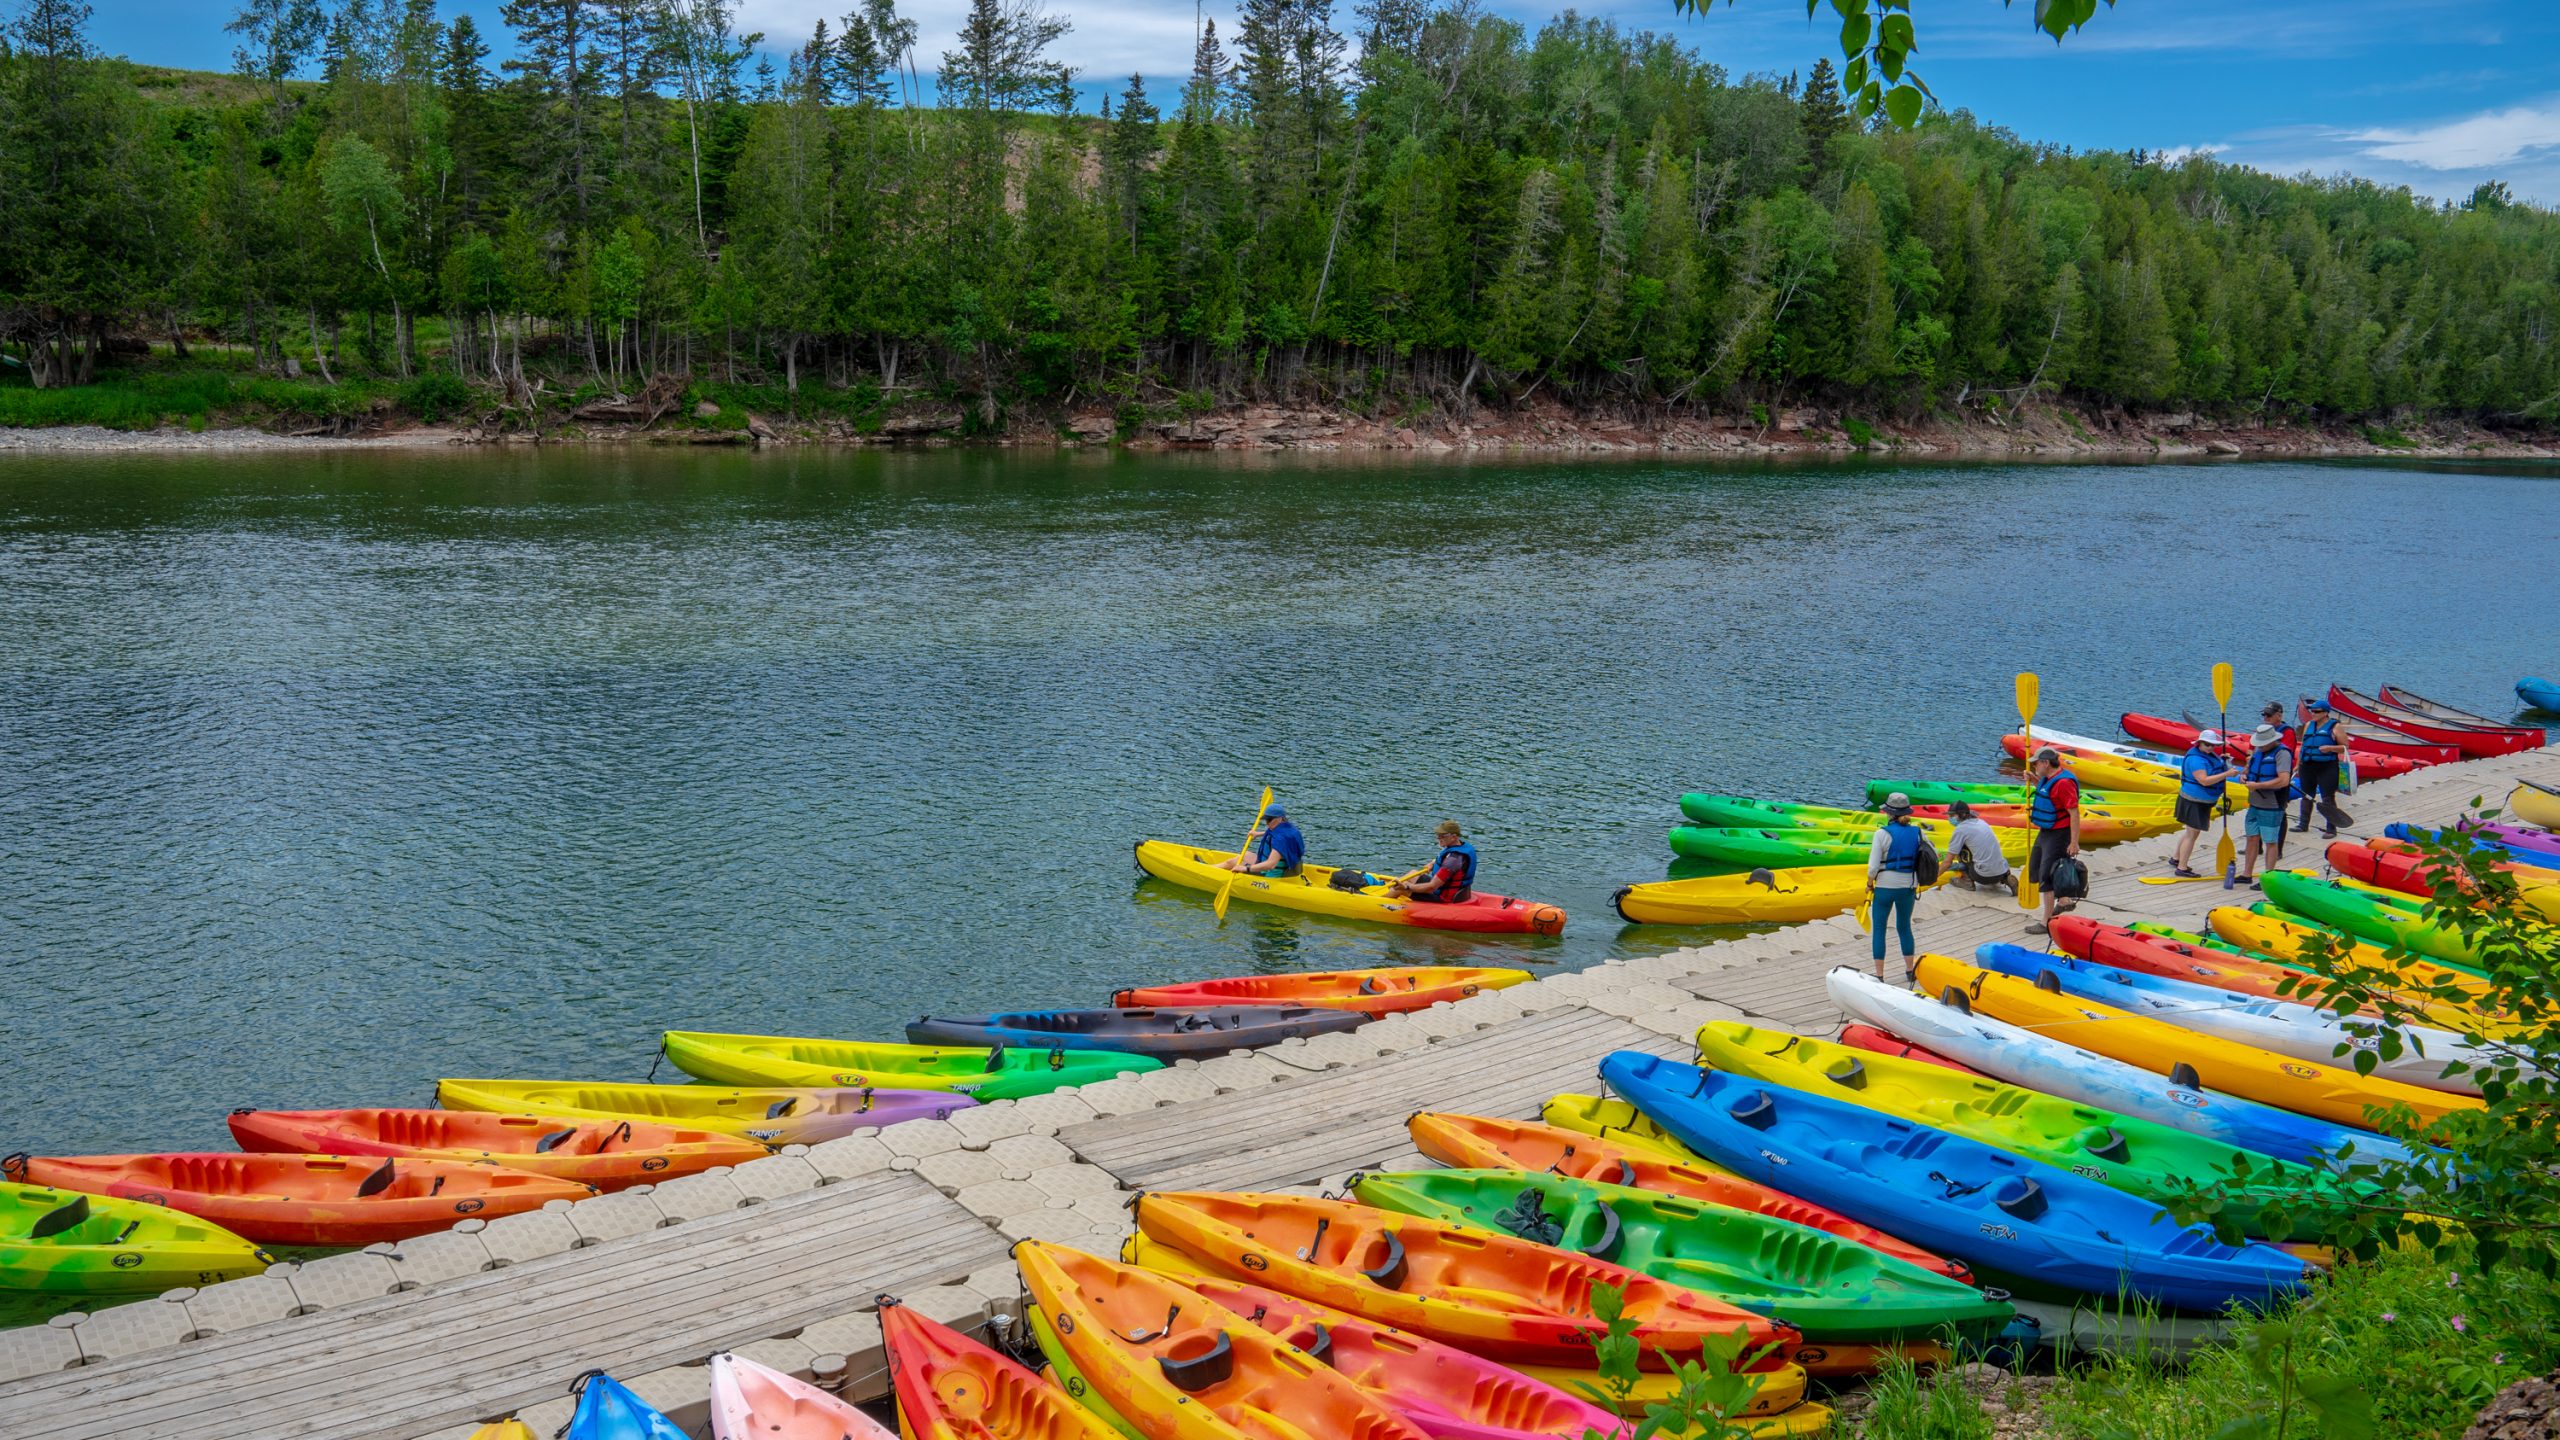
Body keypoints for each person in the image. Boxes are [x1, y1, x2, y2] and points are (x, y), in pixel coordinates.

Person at [1866, 793, 1926, 977]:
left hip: (1885, 887)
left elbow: (1873, 867)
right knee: (1904, 926)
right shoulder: (1918, 832)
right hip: (1908, 886)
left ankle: (1879, 975)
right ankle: (1909, 971)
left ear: (1889, 813)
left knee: (1879, 928)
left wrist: (1869, 884)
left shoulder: (1881, 834)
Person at [2025, 747, 2081, 935]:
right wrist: (2033, 780)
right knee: (2035, 869)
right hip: (2046, 831)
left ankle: (2046, 922)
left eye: (2036, 763)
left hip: (2059, 834)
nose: (2034, 765)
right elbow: (2049, 797)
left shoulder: (2064, 783)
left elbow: (2074, 813)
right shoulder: (2047, 779)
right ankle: (2064, 901)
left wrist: (2074, 842)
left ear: (2046, 763)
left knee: (2046, 876)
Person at [2170, 728, 2239, 877]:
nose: (2210, 748)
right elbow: (2204, 781)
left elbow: (2212, 769)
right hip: (2193, 799)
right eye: (2207, 744)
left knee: (2190, 831)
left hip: (2201, 799)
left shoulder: (2206, 754)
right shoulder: (2196, 759)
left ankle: (2176, 858)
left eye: (2212, 745)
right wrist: (2227, 773)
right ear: (2199, 743)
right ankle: (2181, 868)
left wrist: (2223, 761)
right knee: (2192, 833)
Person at [2234, 724, 2295, 886]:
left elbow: (2284, 780)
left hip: (2272, 805)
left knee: (2270, 841)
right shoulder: (2258, 751)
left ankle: (2268, 878)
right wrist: (2244, 776)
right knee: (2252, 838)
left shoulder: (2282, 754)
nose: (2260, 746)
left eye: (2263, 743)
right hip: (2254, 804)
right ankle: (2247, 874)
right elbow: (2247, 769)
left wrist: (2258, 786)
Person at [2293, 698, 2349, 837]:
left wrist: (2330, 747)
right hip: (2308, 765)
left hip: (2327, 766)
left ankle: (2331, 828)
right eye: (2312, 711)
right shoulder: (2308, 725)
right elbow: (2304, 746)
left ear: (2325, 713)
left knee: (2327, 797)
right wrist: (2298, 764)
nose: (2313, 714)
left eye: (2317, 712)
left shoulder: (2335, 727)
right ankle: (2303, 823)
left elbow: (2345, 747)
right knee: (2306, 795)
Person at [1389, 820, 1477, 903]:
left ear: (1454, 837)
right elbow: (1443, 860)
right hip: (1449, 890)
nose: (1439, 838)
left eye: (1442, 836)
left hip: (1444, 897)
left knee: (1401, 889)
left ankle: (1379, 903)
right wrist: (1432, 863)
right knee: (1413, 874)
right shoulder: (1459, 846)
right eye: (1438, 835)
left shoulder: (1452, 861)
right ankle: (1385, 890)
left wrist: (1407, 887)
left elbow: (1432, 887)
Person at [1943, 801, 2015, 894]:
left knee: (1961, 849)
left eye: (1952, 815)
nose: (1949, 818)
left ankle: (1966, 881)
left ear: (1961, 815)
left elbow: (1947, 862)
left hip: (1982, 877)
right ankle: (2006, 878)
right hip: (2002, 871)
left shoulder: (1961, 829)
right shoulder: (1981, 822)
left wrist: (1933, 877)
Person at [1218, 802, 1304, 877]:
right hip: (1288, 870)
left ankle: (1207, 871)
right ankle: (1210, 868)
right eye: (1266, 820)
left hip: (1270, 874)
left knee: (1232, 862)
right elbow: (1274, 833)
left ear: (1280, 819)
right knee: (1245, 854)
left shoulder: (1280, 839)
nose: (1267, 823)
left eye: (1269, 820)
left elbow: (1270, 865)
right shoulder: (1290, 829)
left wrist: (1245, 868)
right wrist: (1258, 834)